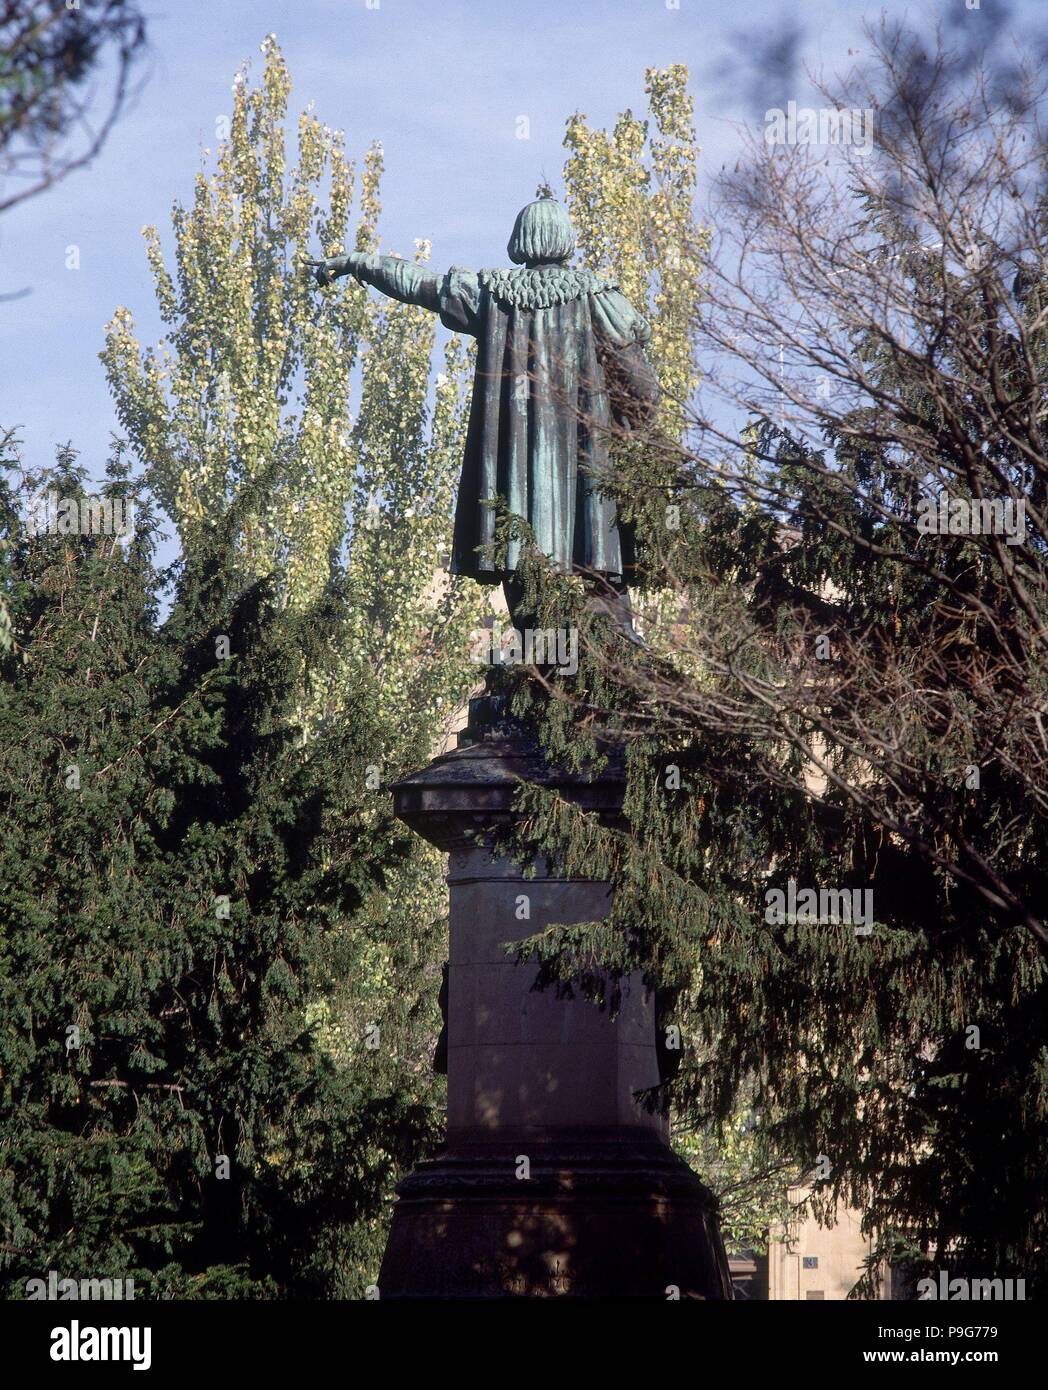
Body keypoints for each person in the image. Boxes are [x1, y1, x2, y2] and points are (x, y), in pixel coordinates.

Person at [314, 195, 659, 640]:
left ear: (520, 240)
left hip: (514, 479)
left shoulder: (493, 296)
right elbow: (644, 390)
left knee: (522, 572)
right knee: (600, 575)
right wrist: (631, 434)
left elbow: (419, 283)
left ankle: (541, 666)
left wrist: (359, 263)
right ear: (566, 241)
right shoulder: (599, 299)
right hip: (588, 475)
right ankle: (617, 667)